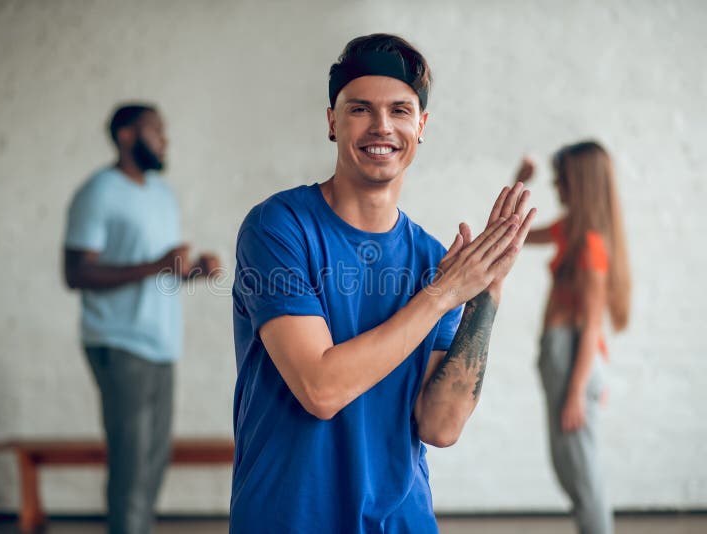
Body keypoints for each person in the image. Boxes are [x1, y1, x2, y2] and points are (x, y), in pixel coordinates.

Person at [229, 34, 537, 533]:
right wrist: (443, 295)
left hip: (402, 520)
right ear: (332, 122)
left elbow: (440, 425)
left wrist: (485, 293)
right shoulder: (278, 228)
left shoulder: (434, 258)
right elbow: (320, 389)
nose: (382, 126)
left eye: (400, 110)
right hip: (290, 518)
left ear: (421, 126)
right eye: (360, 109)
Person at [63, 103, 219, 534]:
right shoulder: (98, 192)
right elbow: (76, 273)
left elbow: (160, 269)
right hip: (118, 342)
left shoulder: (161, 194)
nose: (165, 140)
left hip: (161, 343)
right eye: (156, 131)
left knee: (153, 461)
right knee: (131, 463)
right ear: (126, 136)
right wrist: (157, 265)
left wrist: (194, 271)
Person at [515, 141, 631, 534]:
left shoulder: (591, 247)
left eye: (561, 179)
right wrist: (519, 184)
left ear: (579, 184)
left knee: (583, 476)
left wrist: (577, 392)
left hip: (572, 363)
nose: (555, 186)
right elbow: (514, 235)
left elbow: (592, 325)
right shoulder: (570, 230)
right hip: (563, 358)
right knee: (572, 470)